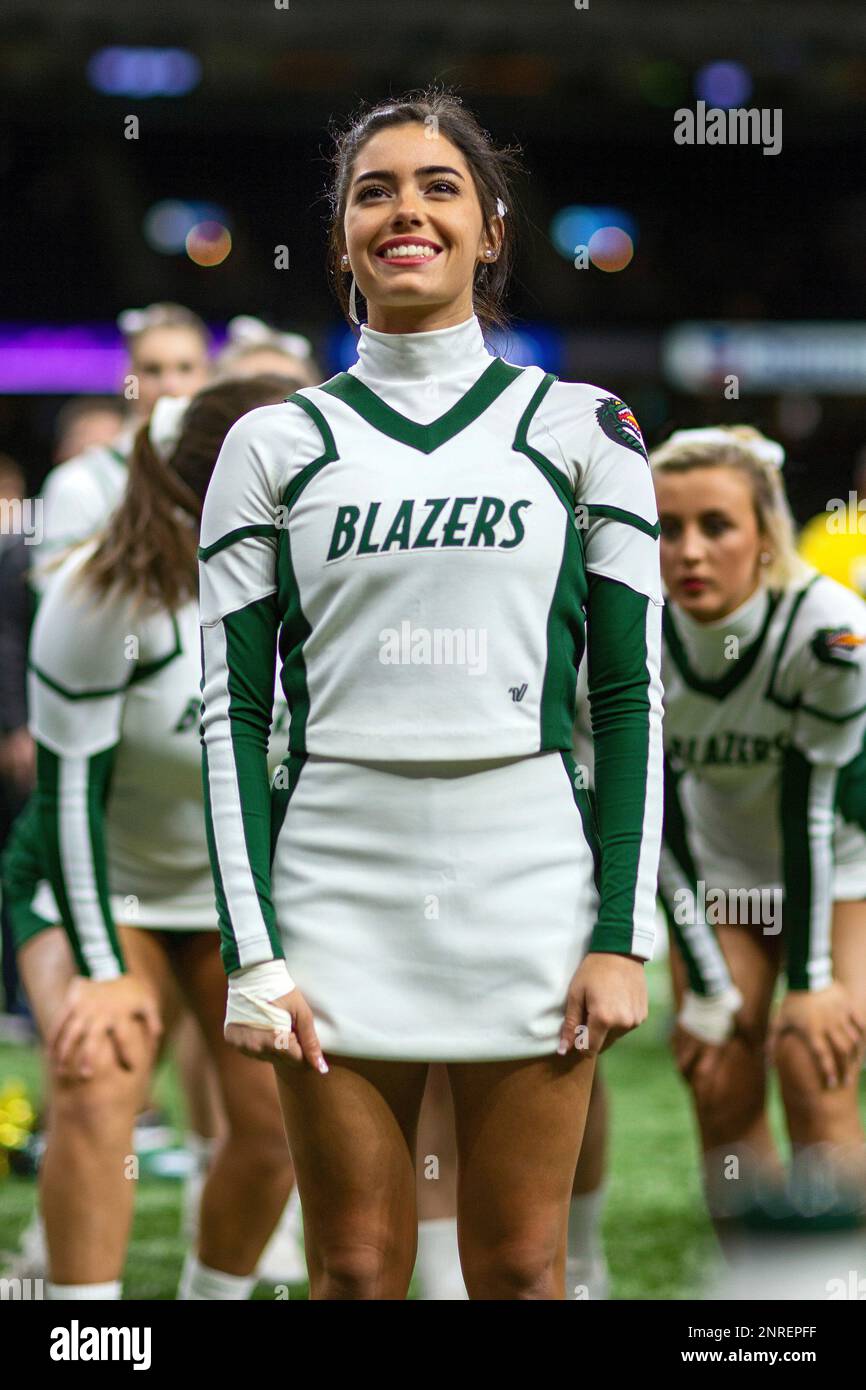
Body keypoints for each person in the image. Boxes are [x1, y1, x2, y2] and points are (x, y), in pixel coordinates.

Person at [199, 87, 664, 1300]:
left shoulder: (584, 425)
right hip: (335, 875)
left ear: (492, 227)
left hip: (525, 870)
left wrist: (617, 932)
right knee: (353, 1268)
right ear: (342, 231)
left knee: (519, 1266)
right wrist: (254, 951)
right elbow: (231, 716)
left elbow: (626, 697)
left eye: (439, 185)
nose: (407, 209)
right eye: (374, 189)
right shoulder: (272, 442)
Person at [21, 374, 300, 1301]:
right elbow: (65, 800)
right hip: (100, 881)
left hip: (234, 897)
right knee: (97, 1079)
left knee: (279, 1122)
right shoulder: (99, 593)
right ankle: (85, 1331)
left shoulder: (329, 590)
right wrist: (100, 972)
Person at [653, 425, 866, 1233]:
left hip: (842, 864)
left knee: (816, 1064)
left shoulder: (831, 631)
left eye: (717, 525)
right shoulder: (631, 631)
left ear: (766, 534)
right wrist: (708, 984)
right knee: (718, 1078)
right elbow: (649, 822)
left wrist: (811, 984)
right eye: (669, 528)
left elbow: (810, 805)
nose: (691, 551)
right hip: (719, 874)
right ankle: (749, 1321)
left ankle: (831, 1292)